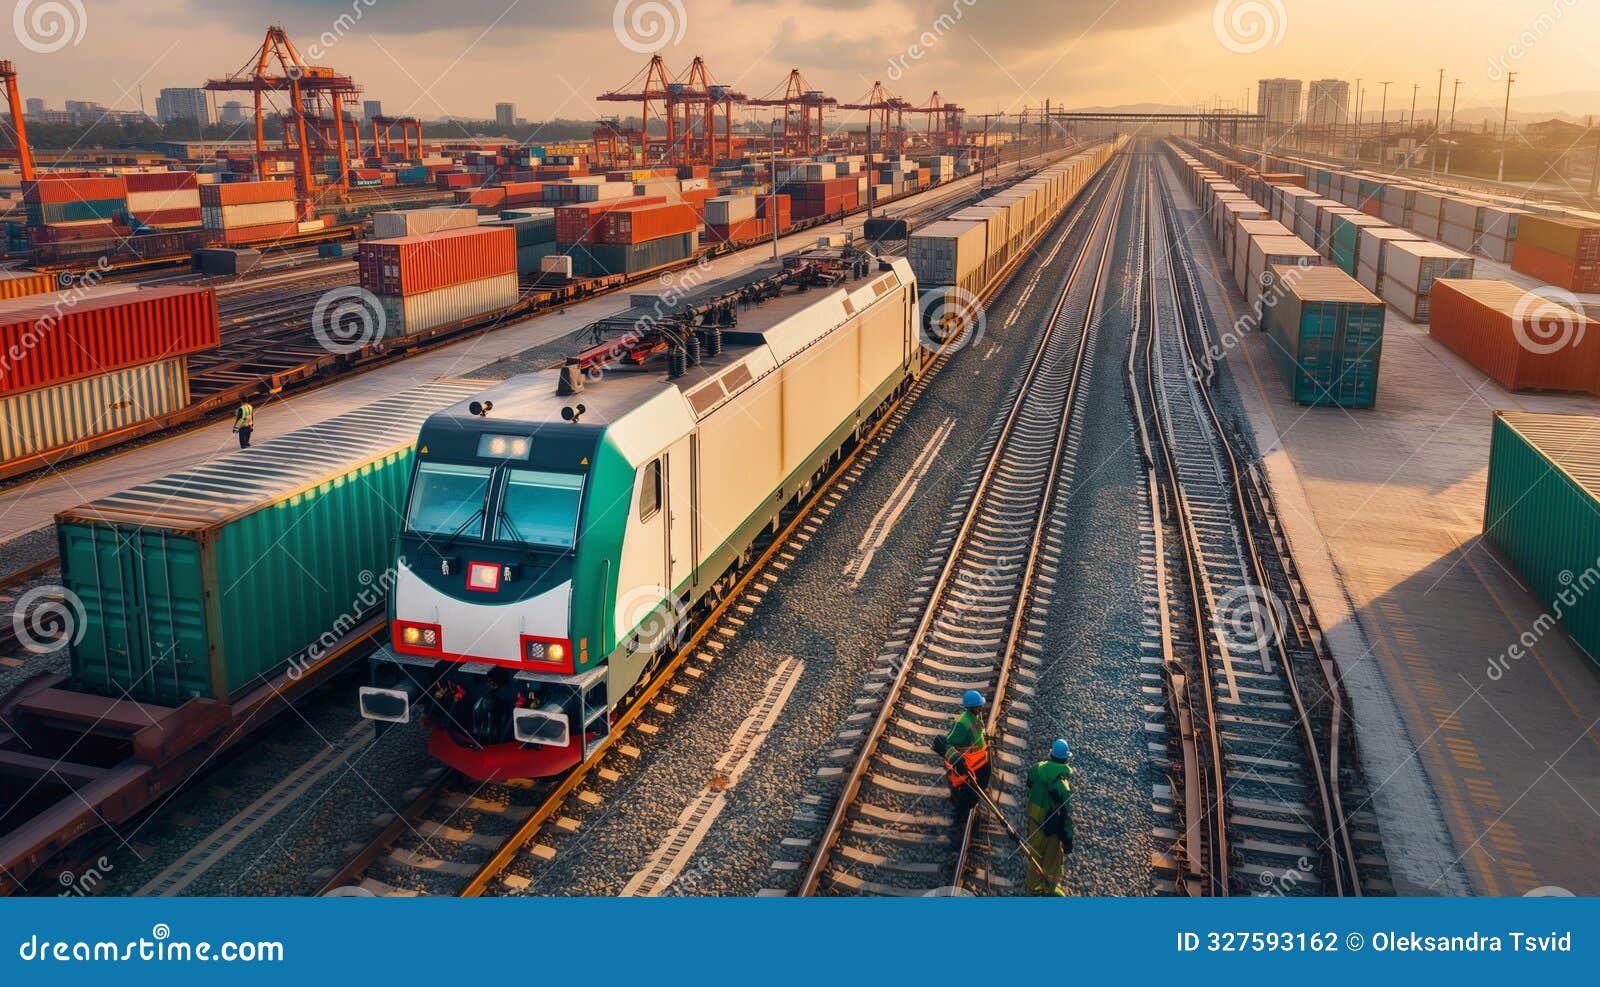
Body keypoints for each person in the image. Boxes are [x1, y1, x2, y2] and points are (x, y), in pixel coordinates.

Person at [934, 690, 991, 833]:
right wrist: (958, 761)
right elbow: (946, 742)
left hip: (980, 761)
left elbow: (979, 733)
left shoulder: (976, 717)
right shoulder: (961, 724)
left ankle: (966, 803)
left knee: (979, 787)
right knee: (971, 791)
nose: (981, 708)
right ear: (971, 707)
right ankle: (959, 814)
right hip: (969, 765)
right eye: (979, 706)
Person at [1025, 738, 1074, 896]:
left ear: (1051, 755)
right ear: (1066, 760)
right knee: (1052, 861)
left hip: (1034, 821)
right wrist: (1067, 840)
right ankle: (1049, 889)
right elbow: (1065, 816)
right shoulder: (1062, 786)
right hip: (1051, 829)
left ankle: (1032, 888)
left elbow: (1029, 783)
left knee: (1035, 855)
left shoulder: (1036, 768)